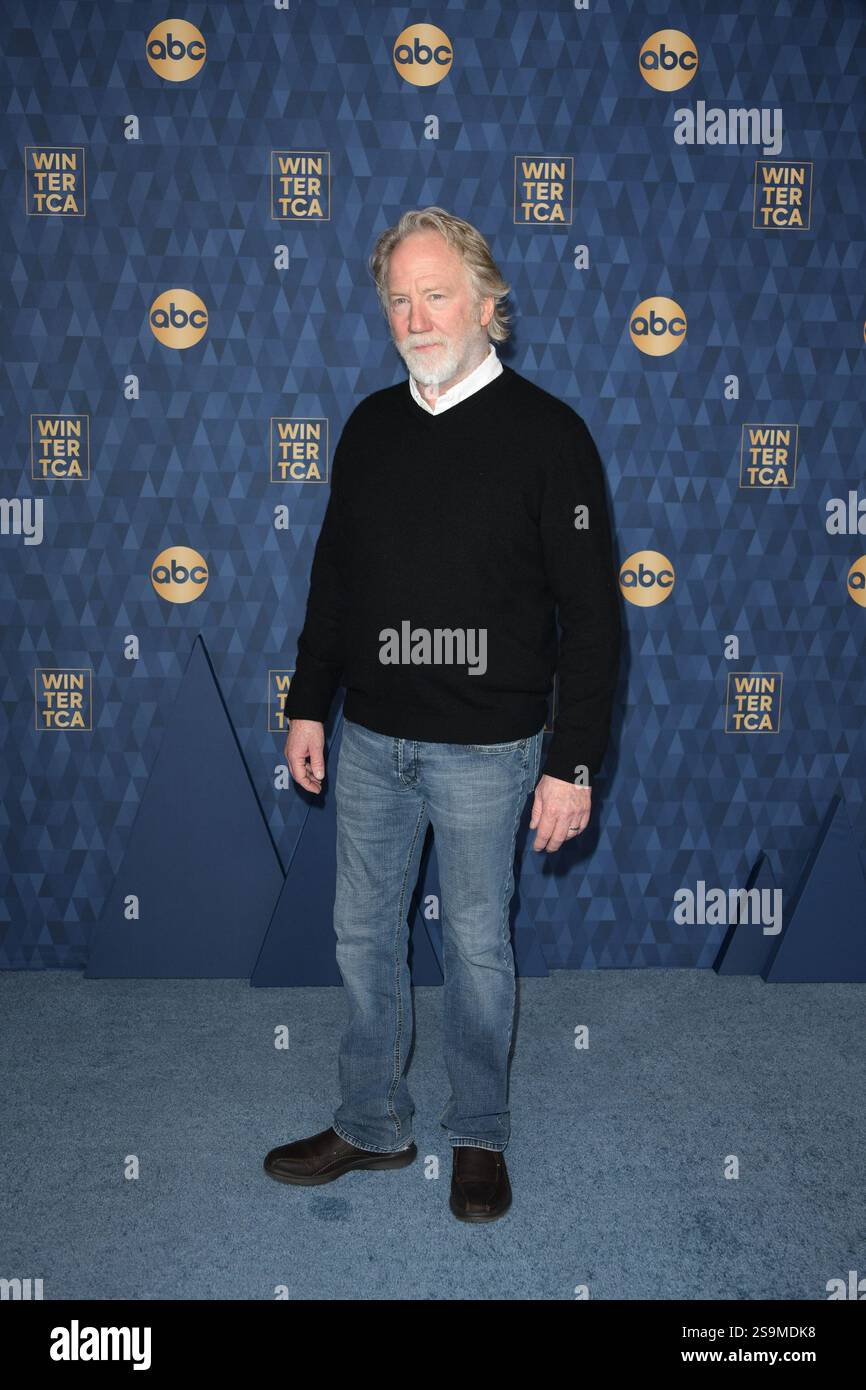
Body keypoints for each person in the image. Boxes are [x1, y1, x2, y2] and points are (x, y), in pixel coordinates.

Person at [264, 206, 622, 1222]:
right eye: (398, 298)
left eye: (435, 293)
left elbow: (593, 622)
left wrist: (573, 762)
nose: (415, 315)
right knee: (361, 938)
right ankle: (371, 1120)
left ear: (486, 306)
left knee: (474, 948)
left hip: (489, 751)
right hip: (370, 739)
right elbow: (334, 582)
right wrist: (305, 706)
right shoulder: (370, 427)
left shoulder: (550, 436)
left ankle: (478, 1132)